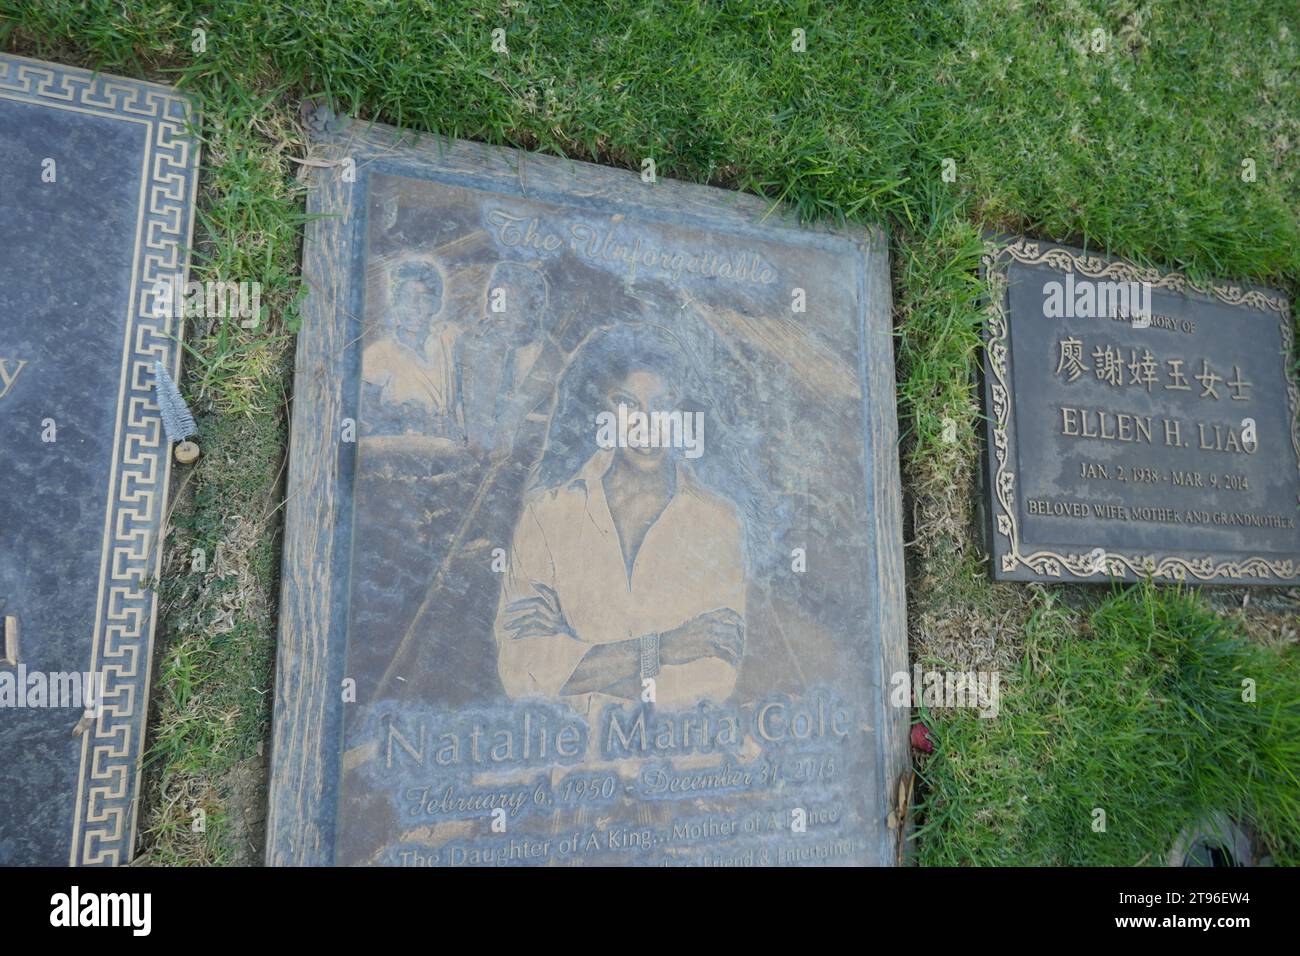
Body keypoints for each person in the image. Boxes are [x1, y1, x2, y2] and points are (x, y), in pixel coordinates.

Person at [493, 326, 746, 714]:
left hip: (680, 761)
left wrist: (574, 664)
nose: (646, 423)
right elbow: (521, 671)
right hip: (567, 759)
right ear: (600, 411)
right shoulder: (548, 514)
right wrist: (664, 649)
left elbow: (710, 679)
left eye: (662, 406)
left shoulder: (718, 521)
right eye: (627, 404)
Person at [361, 259, 461, 437]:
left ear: (436, 305)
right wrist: (403, 414)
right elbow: (366, 411)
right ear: (394, 302)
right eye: (406, 298)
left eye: (423, 300)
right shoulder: (378, 353)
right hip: (405, 447)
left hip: (451, 446)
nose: (413, 307)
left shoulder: (449, 339)